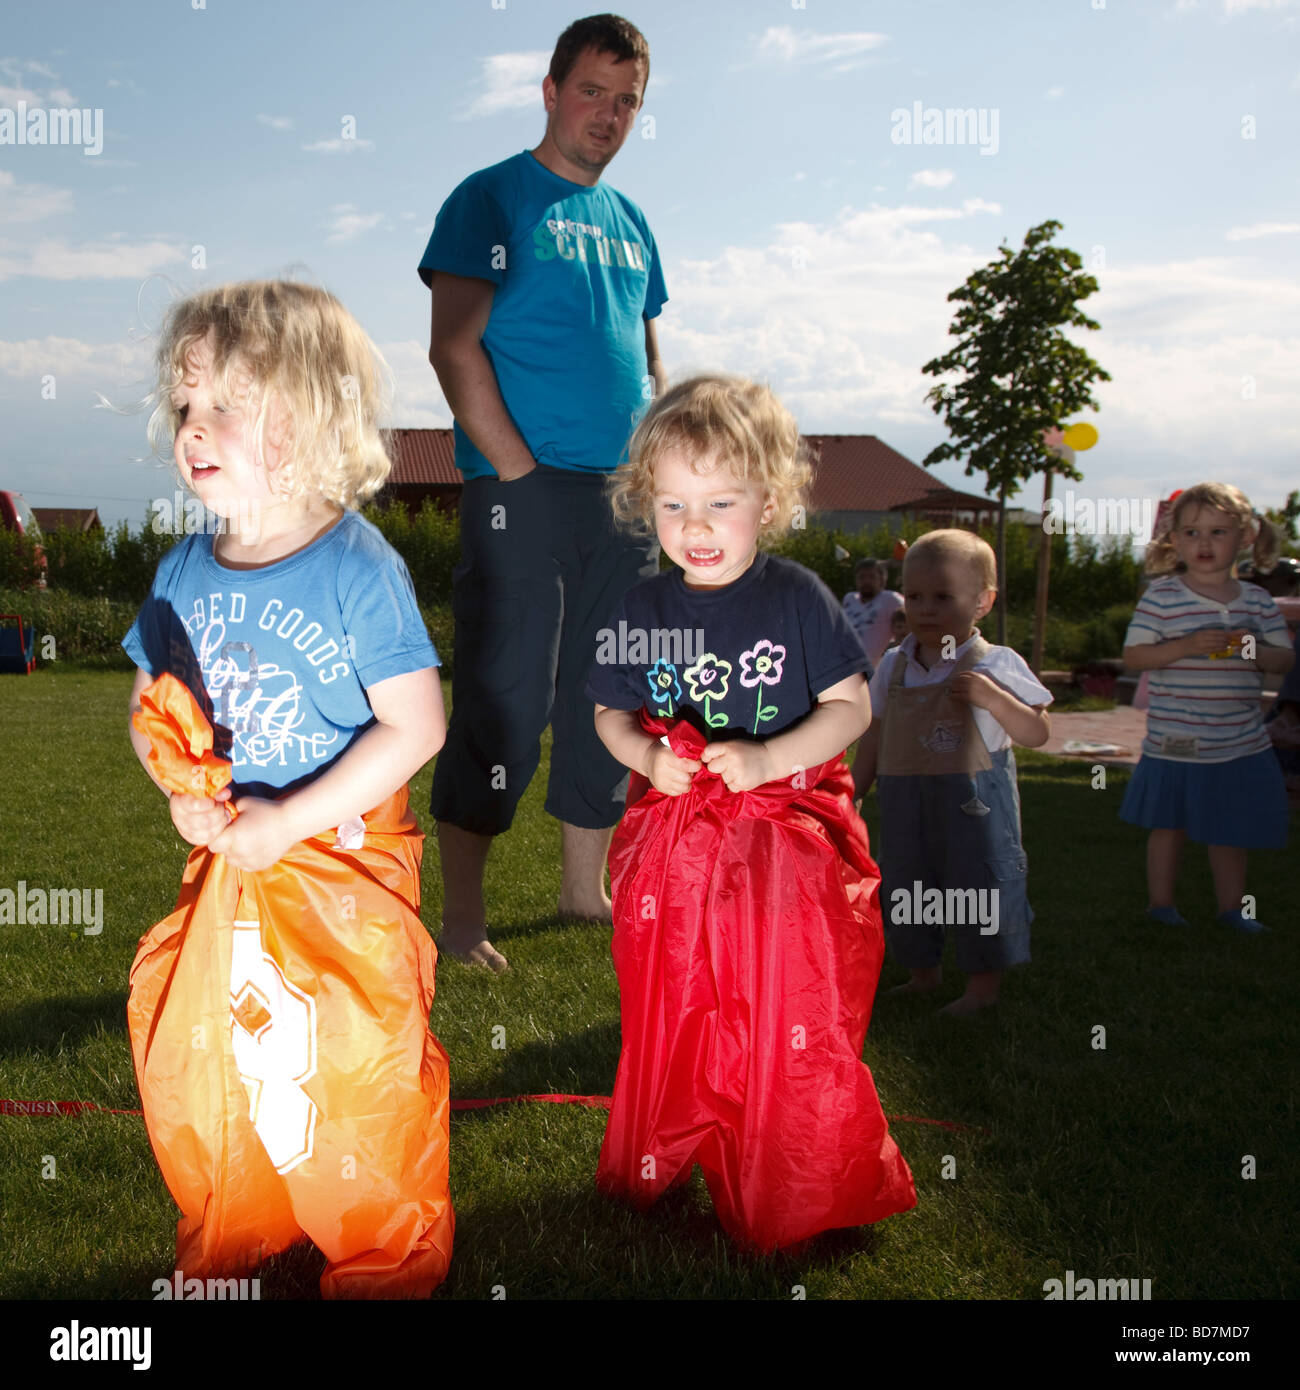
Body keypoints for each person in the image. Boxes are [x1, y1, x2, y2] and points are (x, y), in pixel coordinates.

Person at [122, 281, 454, 1297]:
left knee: (353, 1061)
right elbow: (151, 709)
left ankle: (381, 1254)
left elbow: (417, 725)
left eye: (225, 403)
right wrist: (180, 792)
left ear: (307, 413)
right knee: (223, 1045)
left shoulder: (357, 566)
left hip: (342, 869)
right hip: (235, 865)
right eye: (185, 407)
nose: (194, 430)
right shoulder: (182, 571)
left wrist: (293, 818)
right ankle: (239, 1222)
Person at [586, 375, 916, 1252]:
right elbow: (608, 715)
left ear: (767, 503)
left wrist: (769, 757)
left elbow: (852, 707)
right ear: (644, 503)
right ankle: (660, 1148)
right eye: (672, 504)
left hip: (780, 842)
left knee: (778, 1004)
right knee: (672, 998)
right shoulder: (643, 607)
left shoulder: (796, 597)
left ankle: (787, 1175)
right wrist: (648, 757)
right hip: (676, 848)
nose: (695, 527)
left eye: (720, 502)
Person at [418, 14, 666, 972]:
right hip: (519, 491)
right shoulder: (489, 199)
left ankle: (581, 891)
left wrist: (660, 470)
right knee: (505, 698)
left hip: (624, 499)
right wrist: (517, 472)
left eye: (627, 100)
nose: (608, 115)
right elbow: (453, 347)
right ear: (553, 89)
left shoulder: (634, 222)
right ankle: (465, 919)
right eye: (593, 91)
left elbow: (643, 360)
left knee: (610, 693)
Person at [851, 530, 1052, 1016]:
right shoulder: (895, 666)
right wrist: (855, 789)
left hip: (974, 809)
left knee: (978, 886)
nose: (925, 608)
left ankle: (982, 986)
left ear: (982, 603)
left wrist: (996, 700)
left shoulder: (995, 664)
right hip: (905, 803)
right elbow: (874, 731)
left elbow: (1037, 733)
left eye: (943, 596)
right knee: (907, 884)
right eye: (915, 596)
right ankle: (923, 973)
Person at [1118, 482, 1294, 932]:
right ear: (1174, 540)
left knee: (1230, 827)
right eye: (1192, 533)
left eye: (1218, 532)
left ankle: (1233, 909)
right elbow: (1135, 657)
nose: (1204, 543)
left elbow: (1285, 660)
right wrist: (1186, 645)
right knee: (1169, 824)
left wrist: (1250, 648)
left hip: (1239, 740)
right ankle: (1161, 905)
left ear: (1246, 537)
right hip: (1176, 740)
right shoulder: (1162, 597)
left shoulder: (1256, 602)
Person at [843, 557, 904, 667]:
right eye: (862, 577)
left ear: (882, 579)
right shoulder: (849, 599)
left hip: (869, 670)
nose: (866, 581)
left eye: (872, 577)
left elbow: (910, 621)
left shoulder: (890, 599)